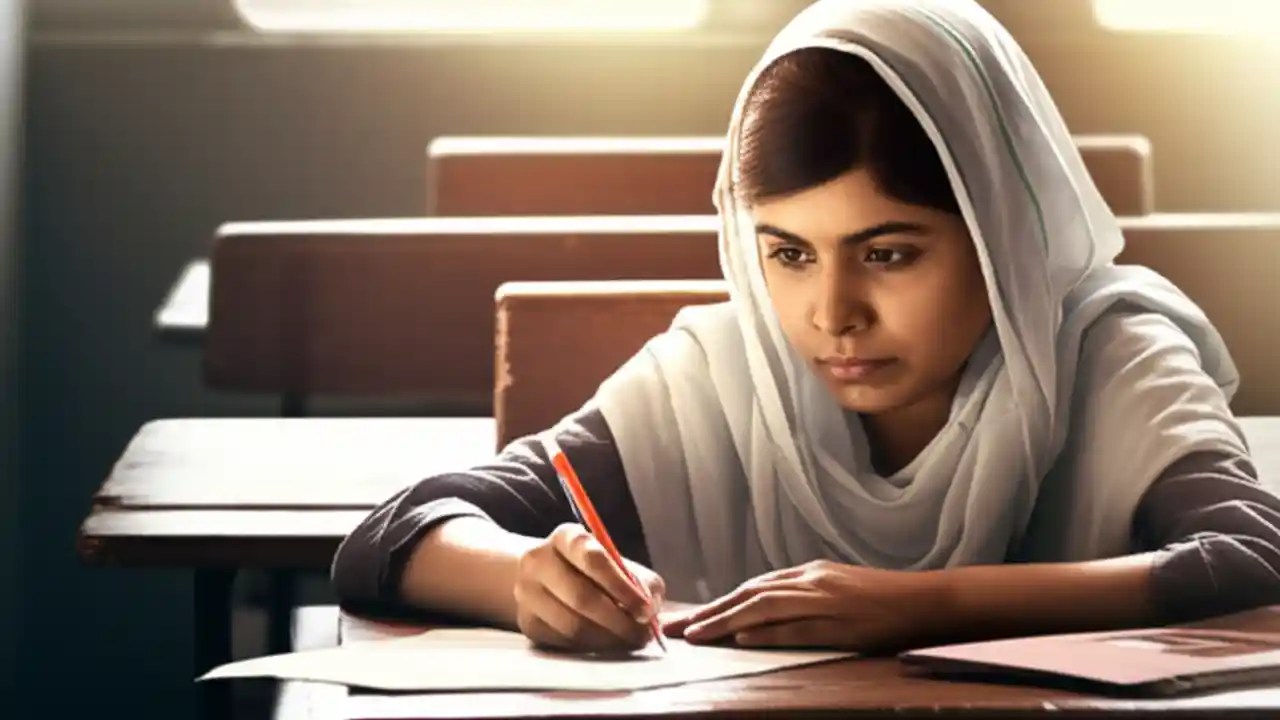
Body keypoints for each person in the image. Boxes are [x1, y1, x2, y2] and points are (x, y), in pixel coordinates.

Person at [332, 0, 1280, 655]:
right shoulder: (722, 377)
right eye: (786, 254)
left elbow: (1253, 556)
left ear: (1003, 242)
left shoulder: (1111, 359)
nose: (832, 314)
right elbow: (389, 537)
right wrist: (527, 579)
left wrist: (917, 606)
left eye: (888, 254)